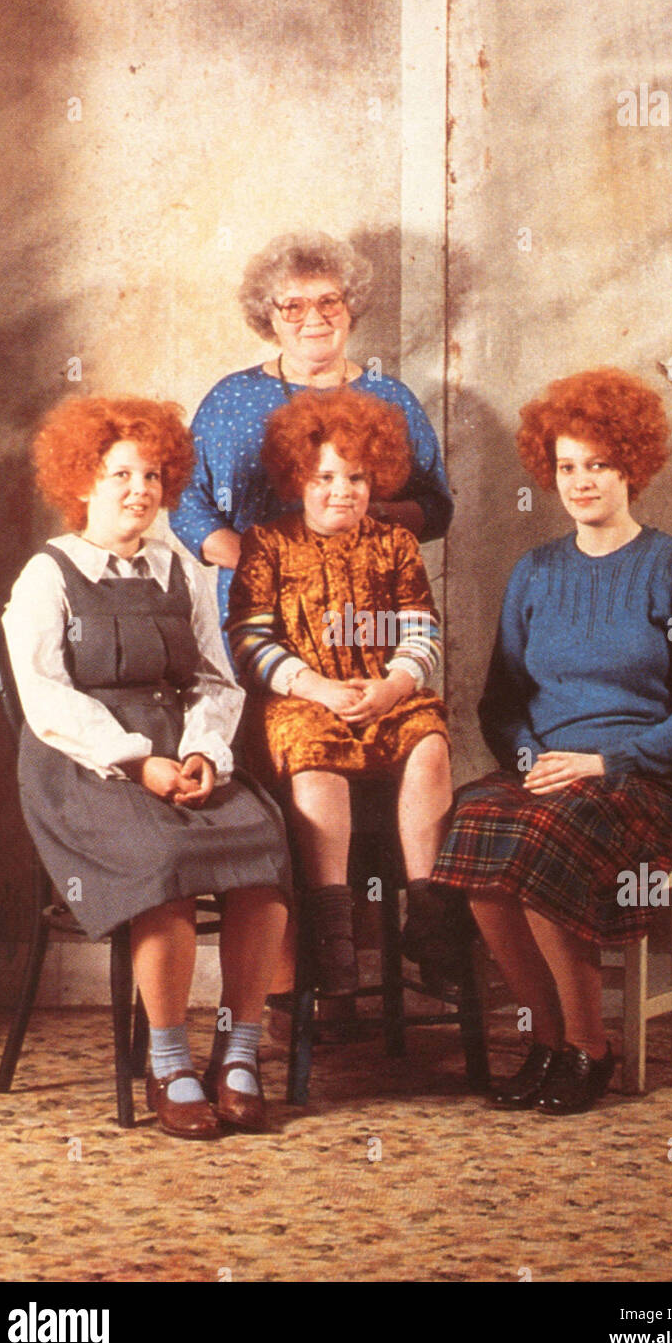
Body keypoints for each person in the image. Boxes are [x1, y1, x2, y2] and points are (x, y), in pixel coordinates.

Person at [430, 367, 672, 1115]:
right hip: (549, 772)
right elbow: (499, 703)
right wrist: (532, 760)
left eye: (598, 464)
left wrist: (607, 760)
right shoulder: (535, 572)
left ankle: (591, 1047)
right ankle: (548, 1038)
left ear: (632, 466)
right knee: (473, 825)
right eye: (567, 467)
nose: (581, 482)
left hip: (643, 780)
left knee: (538, 842)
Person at [2, 396, 292, 1140]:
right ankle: (169, 1062)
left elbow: (215, 681)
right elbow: (45, 698)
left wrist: (200, 751)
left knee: (263, 850)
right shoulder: (47, 576)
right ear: (83, 482)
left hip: (182, 749)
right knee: (164, 857)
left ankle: (238, 1051)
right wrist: (139, 764)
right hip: (85, 765)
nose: (140, 490)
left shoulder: (180, 569)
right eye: (120, 473)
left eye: (154, 475)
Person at [227, 388, 459, 996]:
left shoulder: (394, 544)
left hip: (381, 692)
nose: (342, 490)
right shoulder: (268, 545)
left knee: (429, 737)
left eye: (356, 477)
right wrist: (317, 687)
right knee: (312, 753)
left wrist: (394, 685)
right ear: (298, 477)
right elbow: (249, 644)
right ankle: (333, 925)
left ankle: (429, 912)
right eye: (325, 476)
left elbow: (422, 630)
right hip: (302, 698)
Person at [169, 231, 453, 639]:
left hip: (364, 608)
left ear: (350, 309)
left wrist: (368, 515)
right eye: (294, 306)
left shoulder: (390, 396)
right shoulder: (230, 398)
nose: (315, 319)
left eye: (328, 302)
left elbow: (436, 507)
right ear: (269, 316)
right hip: (261, 607)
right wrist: (267, 563)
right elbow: (187, 504)